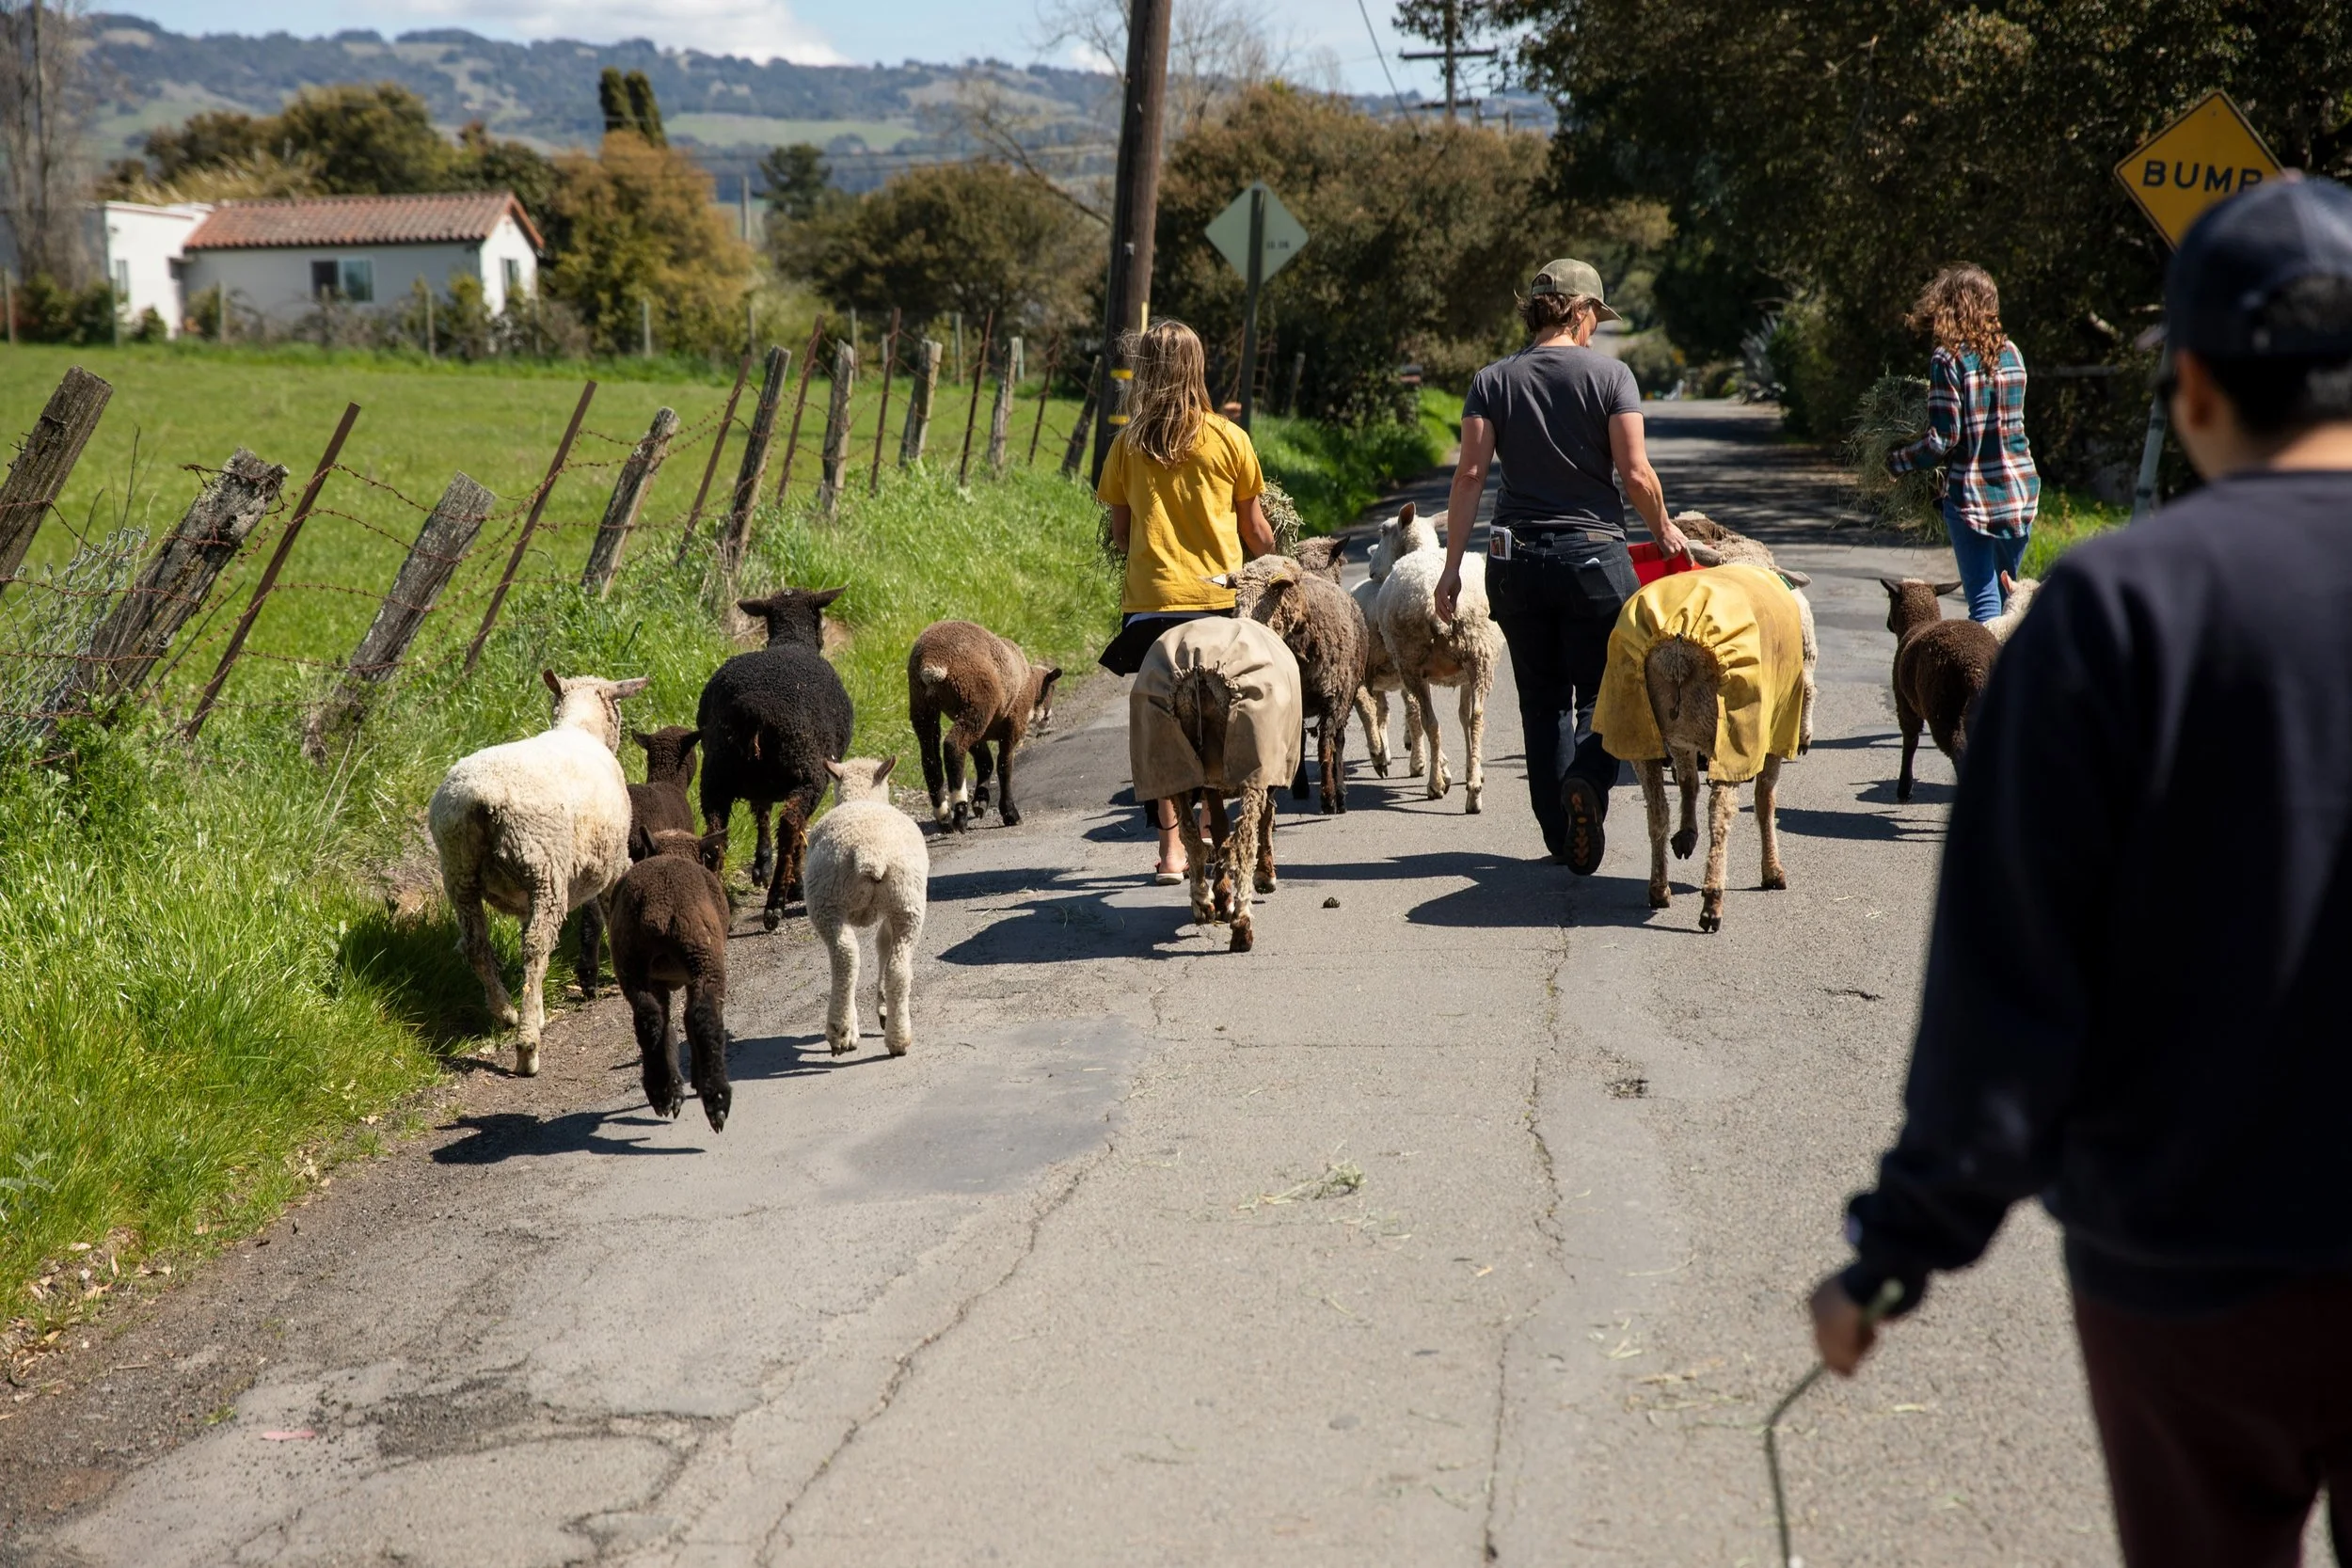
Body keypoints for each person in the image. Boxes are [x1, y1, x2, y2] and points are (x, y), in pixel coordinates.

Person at [1810, 177, 2352, 1566]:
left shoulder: (2115, 612)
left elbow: (2011, 977)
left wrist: (1898, 1247)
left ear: (2193, 388)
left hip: (2187, 1257)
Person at [1435, 258, 1688, 872]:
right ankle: (1588, 782)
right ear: (1577, 311)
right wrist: (1664, 531)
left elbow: (1470, 476)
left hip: (1514, 561)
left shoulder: (1492, 380)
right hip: (1593, 559)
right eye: (1595, 315)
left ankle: (1559, 834)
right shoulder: (1612, 376)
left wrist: (1451, 567)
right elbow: (1635, 472)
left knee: (1541, 701)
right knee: (1607, 690)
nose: (1596, 328)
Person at [1096, 319, 1276, 882]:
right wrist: (1276, 560)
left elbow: (1120, 534)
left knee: (1162, 722)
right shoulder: (1230, 439)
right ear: (1198, 369)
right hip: (1218, 605)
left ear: (1145, 372)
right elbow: (1256, 532)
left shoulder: (1126, 445)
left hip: (1151, 609)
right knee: (1223, 715)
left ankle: (1172, 851)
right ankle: (1211, 825)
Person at [1886, 264, 2042, 622]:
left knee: (1985, 607)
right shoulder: (2012, 352)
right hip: (2020, 495)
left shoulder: (1948, 358)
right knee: (2008, 603)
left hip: (1972, 497)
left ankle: (1983, 661)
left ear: (1951, 306)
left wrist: (1898, 461)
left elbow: (1943, 439)